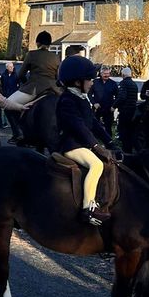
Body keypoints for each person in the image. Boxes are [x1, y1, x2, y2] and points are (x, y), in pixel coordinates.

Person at [55, 55, 115, 226]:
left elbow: (94, 124)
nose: (92, 83)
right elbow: (78, 126)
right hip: (71, 145)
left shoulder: (81, 98)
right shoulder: (67, 100)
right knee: (97, 165)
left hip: (82, 144)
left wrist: (110, 142)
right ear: (77, 82)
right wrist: (97, 146)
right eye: (89, 80)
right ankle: (88, 209)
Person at [0, 31, 61, 144]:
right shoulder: (55, 57)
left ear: (37, 43)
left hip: (34, 88)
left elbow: (21, 74)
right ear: (49, 44)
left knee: (7, 105)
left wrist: (26, 83)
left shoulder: (32, 54)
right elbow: (58, 76)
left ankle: (18, 133)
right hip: (54, 89)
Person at [114, 67, 139, 153]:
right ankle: (130, 149)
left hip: (125, 111)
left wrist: (114, 106)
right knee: (130, 132)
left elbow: (122, 97)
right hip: (132, 111)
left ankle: (125, 151)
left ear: (123, 75)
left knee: (123, 132)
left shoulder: (123, 83)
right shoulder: (134, 84)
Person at [88, 66, 118, 136]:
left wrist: (114, 106)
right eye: (105, 73)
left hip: (108, 109)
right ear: (101, 74)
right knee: (94, 125)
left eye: (108, 73)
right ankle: (94, 142)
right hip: (97, 108)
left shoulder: (113, 84)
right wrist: (94, 103)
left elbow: (117, 96)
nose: (106, 75)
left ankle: (108, 142)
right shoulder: (95, 82)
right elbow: (89, 94)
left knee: (108, 127)